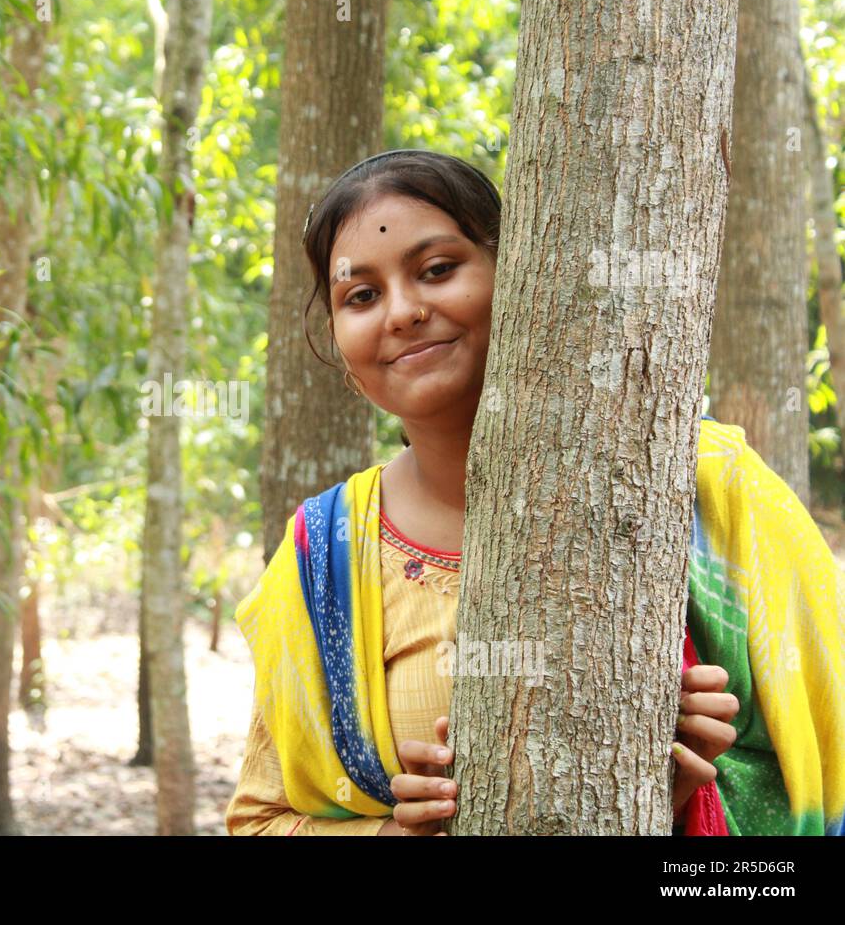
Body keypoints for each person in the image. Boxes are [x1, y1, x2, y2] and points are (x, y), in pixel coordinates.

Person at [225, 149, 845, 836]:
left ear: (522, 272)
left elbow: (828, 753)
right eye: (361, 296)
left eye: (437, 270)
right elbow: (260, 820)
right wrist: (395, 834)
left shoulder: (703, 486)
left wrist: (676, 791)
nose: (401, 312)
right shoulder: (326, 558)